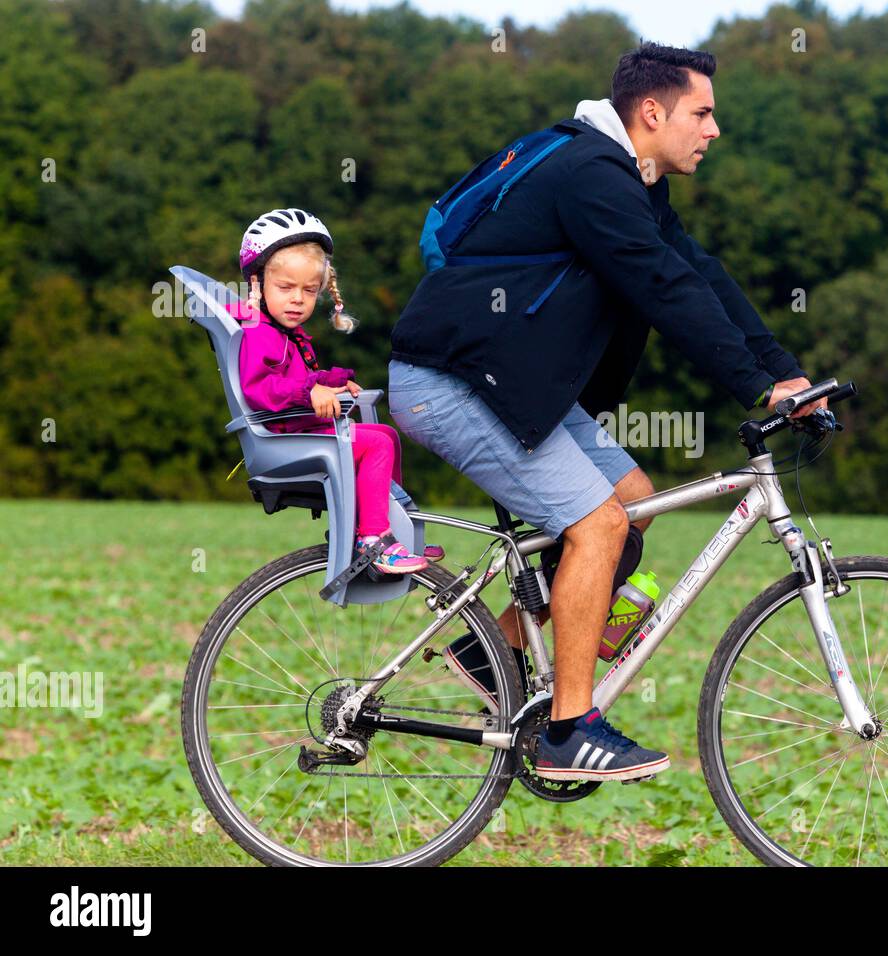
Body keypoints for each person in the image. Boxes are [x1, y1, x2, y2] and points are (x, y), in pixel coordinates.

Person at [389, 43, 823, 781]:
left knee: (634, 503)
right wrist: (753, 386)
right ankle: (567, 733)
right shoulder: (592, 175)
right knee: (600, 527)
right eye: (703, 113)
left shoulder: (632, 178)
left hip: (511, 385)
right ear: (652, 112)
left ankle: (492, 650)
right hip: (453, 383)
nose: (714, 130)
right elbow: (660, 288)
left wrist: (786, 373)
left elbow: (696, 273)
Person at [235, 207, 442, 574]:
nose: (297, 299)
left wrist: (329, 381)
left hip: (298, 430)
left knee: (385, 435)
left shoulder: (285, 333)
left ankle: (398, 524)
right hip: (283, 437)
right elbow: (260, 388)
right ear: (257, 283)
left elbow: (301, 376)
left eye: (309, 291)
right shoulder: (259, 332)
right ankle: (375, 539)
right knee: (375, 444)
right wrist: (307, 394)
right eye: (285, 288)